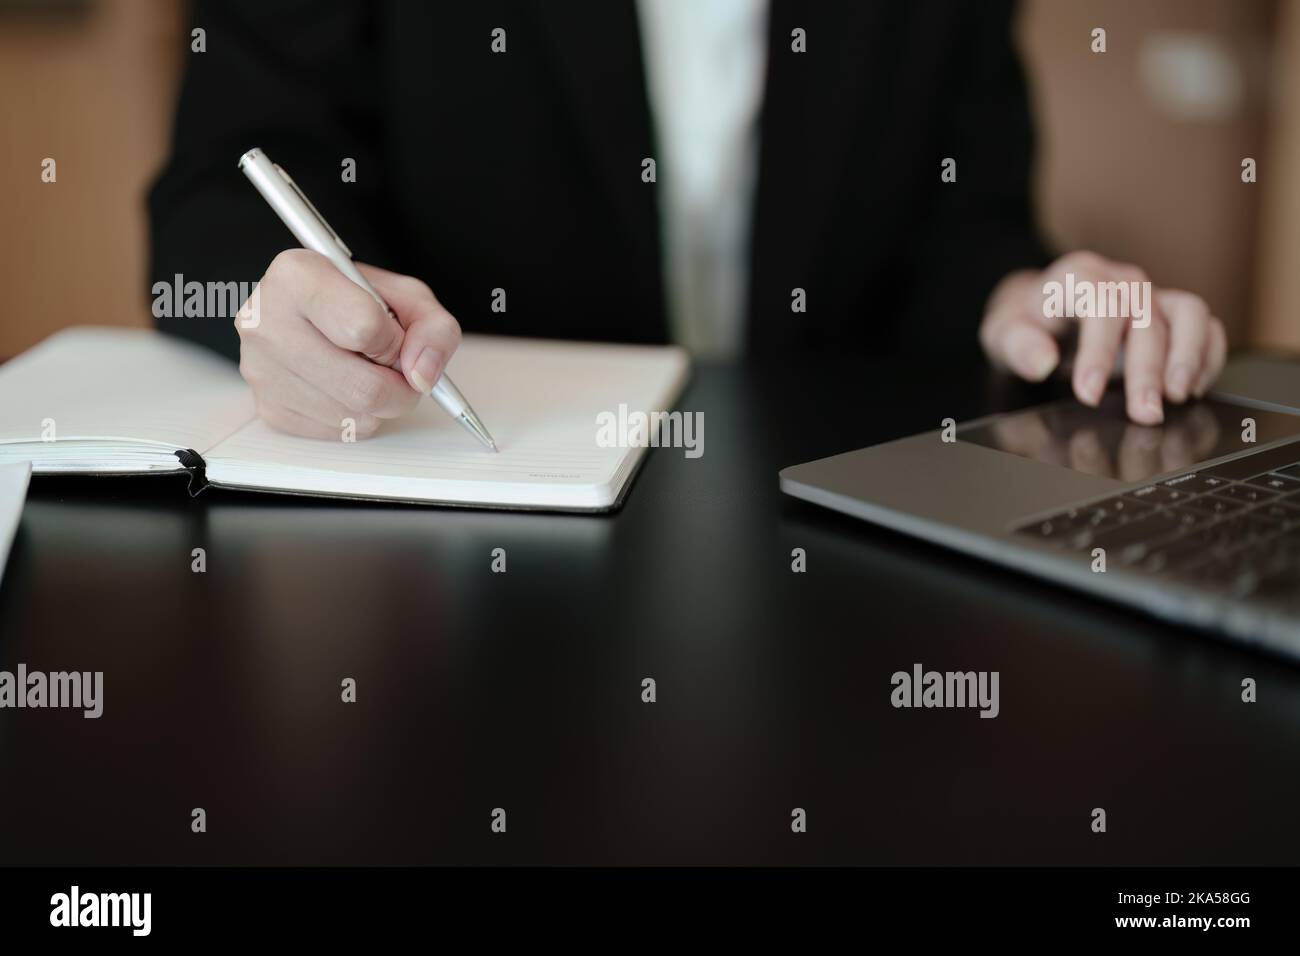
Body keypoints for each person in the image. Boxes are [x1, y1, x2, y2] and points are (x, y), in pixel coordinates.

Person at [149, 0, 1226, 440]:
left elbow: (962, 222)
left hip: (824, 559)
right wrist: (285, 304)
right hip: (466, 528)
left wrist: (1022, 297)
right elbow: (212, 196)